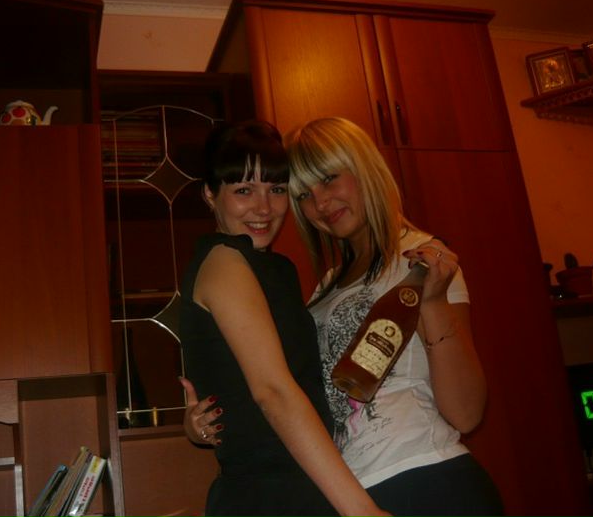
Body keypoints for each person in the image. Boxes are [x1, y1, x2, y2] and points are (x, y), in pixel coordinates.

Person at [184, 117, 504, 517]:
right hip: (346, 493)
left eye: (329, 179)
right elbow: (281, 383)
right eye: (303, 193)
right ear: (211, 195)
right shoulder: (324, 286)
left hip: (421, 475)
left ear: (364, 169)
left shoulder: (425, 261)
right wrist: (209, 416)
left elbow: (466, 413)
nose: (320, 203)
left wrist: (435, 303)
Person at [178, 120, 390, 517]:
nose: (264, 208)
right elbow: (273, 392)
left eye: (276, 189)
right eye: (243, 190)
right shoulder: (225, 260)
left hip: (298, 484)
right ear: (210, 194)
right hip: (268, 493)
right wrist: (363, 512)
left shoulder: (276, 269)